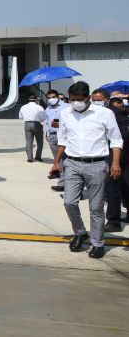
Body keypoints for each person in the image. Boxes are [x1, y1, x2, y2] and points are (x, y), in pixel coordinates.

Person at [50, 81, 123, 258]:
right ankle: (80, 232)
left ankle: (98, 243)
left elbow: (116, 139)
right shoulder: (66, 113)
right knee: (69, 202)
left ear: (88, 97)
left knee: (96, 207)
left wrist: (115, 163)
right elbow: (63, 139)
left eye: (79, 99)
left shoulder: (104, 113)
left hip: (97, 164)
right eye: (72, 99)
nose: (76, 102)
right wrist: (56, 162)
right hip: (72, 163)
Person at [104, 95, 129, 232]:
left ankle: (113, 221)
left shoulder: (113, 115)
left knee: (113, 186)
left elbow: (120, 139)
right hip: (120, 156)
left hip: (116, 156)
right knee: (123, 185)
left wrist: (115, 162)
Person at [44, 89, 66, 192]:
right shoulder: (47, 109)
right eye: (49, 98)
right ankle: (61, 178)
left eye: (53, 97)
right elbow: (47, 122)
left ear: (58, 97)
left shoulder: (65, 107)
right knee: (57, 160)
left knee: (64, 160)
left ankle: (63, 183)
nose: (51, 99)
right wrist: (47, 134)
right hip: (52, 135)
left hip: (62, 135)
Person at [18, 94, 46, 162]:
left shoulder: (23, 107)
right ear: (36, 100)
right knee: (39, 142)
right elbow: (43, 118)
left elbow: (20, 117)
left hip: (27, 124)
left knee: (28, 142)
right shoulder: (39, 107)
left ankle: (30, 158)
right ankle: (38, 157)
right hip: (36, 124)